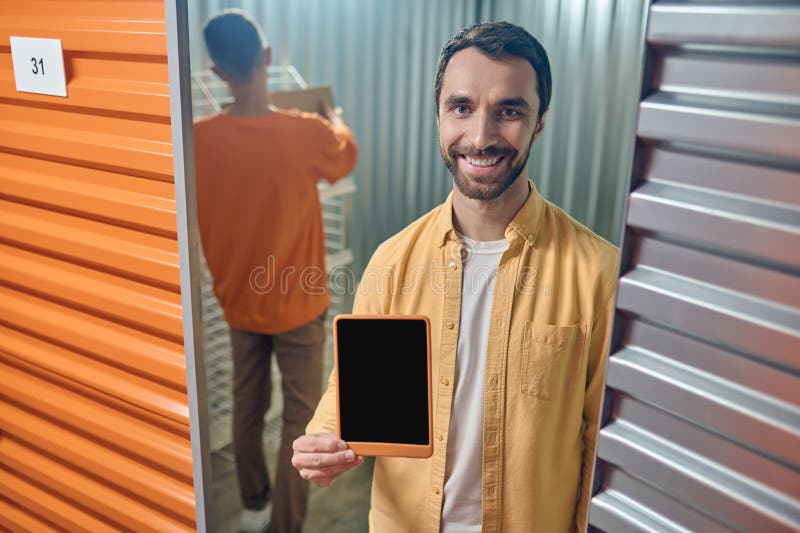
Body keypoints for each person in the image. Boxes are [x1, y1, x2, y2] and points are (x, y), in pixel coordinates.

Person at [292, 21, 618, 532]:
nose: (481, 136)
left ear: (539, 123)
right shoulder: (391, 260)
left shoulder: (599, 273)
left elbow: (603, 445)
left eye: (509, 110)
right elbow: (351, 387)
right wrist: (324, 436)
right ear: (439, 116)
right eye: (461, 107)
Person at [193, 9, 358, 533]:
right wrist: (334, 116)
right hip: (300, 305)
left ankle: (253, 506)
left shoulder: (196, 141)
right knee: (302, 422)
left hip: (238, 304)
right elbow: (346, 155)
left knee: (247, 408)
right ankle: (286, 526)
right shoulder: (305, 132)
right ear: (266, 59)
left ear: (217, 73)